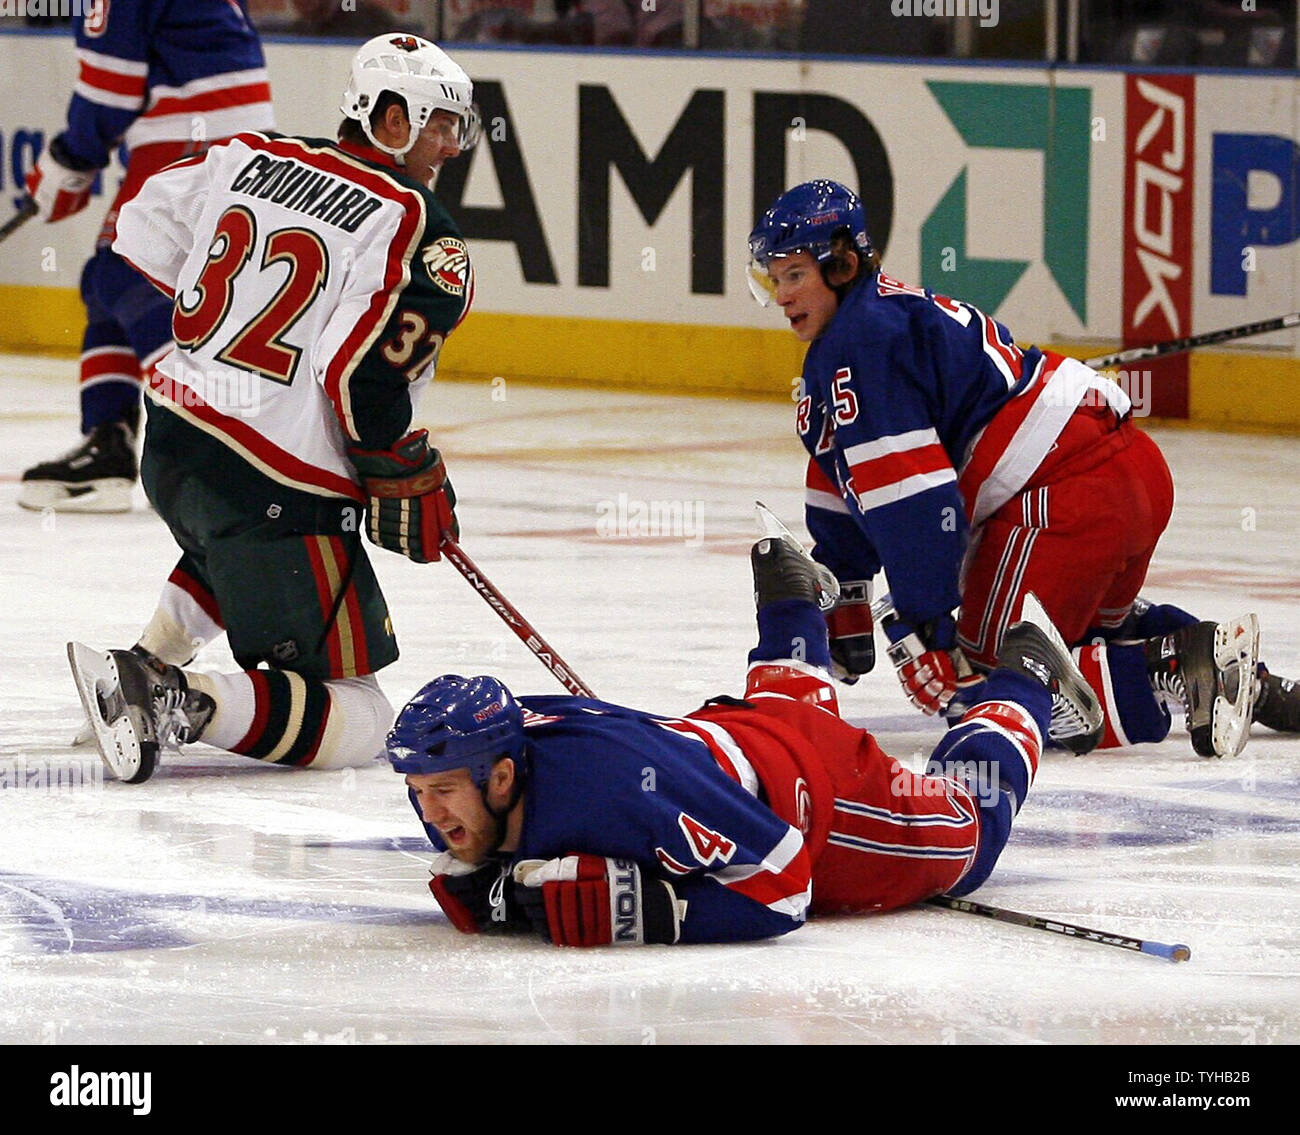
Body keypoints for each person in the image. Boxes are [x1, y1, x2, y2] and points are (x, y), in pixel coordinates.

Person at [745, 178, 1299, 759]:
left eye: (795, 275)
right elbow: (844, 469)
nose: (782, 295)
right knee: (1075, 637)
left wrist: (932, 626)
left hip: (1066, 498)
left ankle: (1178, 665)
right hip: (1124, 478)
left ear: (842, 265)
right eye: (775, 279)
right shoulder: (882, 321)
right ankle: (1243, 681)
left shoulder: (854, 347)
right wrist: (846, 582)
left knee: (995, 683)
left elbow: (914, 498)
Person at [68, 34, 479, 784]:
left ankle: (146, 661)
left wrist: (222, 341)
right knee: (363, 714)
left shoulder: (250, 153)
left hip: (173, 443)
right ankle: (174, 700)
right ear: (389, 119)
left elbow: (137, 224)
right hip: (275, 491)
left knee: (225, 545)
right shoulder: (418, 227)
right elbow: (359, 379)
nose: (450, 145)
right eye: (439, 123)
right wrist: (402, 468)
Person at [385, 534, 1102, 947]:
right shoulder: (514, 736)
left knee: (966, 831)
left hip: (827, 799)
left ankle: (1028, 674)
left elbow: (787, 883)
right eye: (420, 793)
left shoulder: (613, 794)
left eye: (444, 790)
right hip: (735, 736)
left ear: (502, 776)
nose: (434, 817)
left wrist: (669, 912)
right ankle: (791, 596)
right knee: (780, 710)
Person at [18, 0, 275, 514]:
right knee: (108, 279)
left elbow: (111, 87)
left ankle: (217, 433)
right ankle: (108, 444)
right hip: (226, 136)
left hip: (193, 137)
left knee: (126, 274)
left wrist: (72, 157)